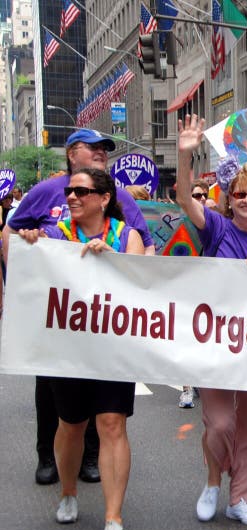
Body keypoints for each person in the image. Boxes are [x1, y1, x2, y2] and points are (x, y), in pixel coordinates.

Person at [2, 129, 154, 488]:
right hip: (58, 316)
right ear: (72, 154)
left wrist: (123, 266)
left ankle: (90, 458)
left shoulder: (119, 198)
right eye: (94, 148)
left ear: (103, 198)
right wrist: (21, 278)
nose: (102, 152)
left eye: (105, 149)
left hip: (104, 322)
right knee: (51, 392)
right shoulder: (45, 193)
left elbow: (145, 247)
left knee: (102, 398)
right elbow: (12, 233)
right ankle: (47, 457)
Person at [18, 167, 145, 530]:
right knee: (71, 425)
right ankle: (68, 493)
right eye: (70, 191)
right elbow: (35, 278)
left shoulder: (128, 236)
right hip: (69, 350)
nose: (71, 197)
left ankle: (113, 517)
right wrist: (31, 246)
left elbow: (142, 287)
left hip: (114, 350)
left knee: (112, 424)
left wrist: (114, 259)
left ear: (104, 199)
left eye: (81, 191)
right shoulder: (57, 235)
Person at [177, 114, 247, 526]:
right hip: (216, 345)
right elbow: (185, 199)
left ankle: (239, 497)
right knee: (220, 424)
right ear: (229, 198)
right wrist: (184, 156)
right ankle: (212, 482)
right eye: (239, 193)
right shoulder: (218, 229)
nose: (246, 200)